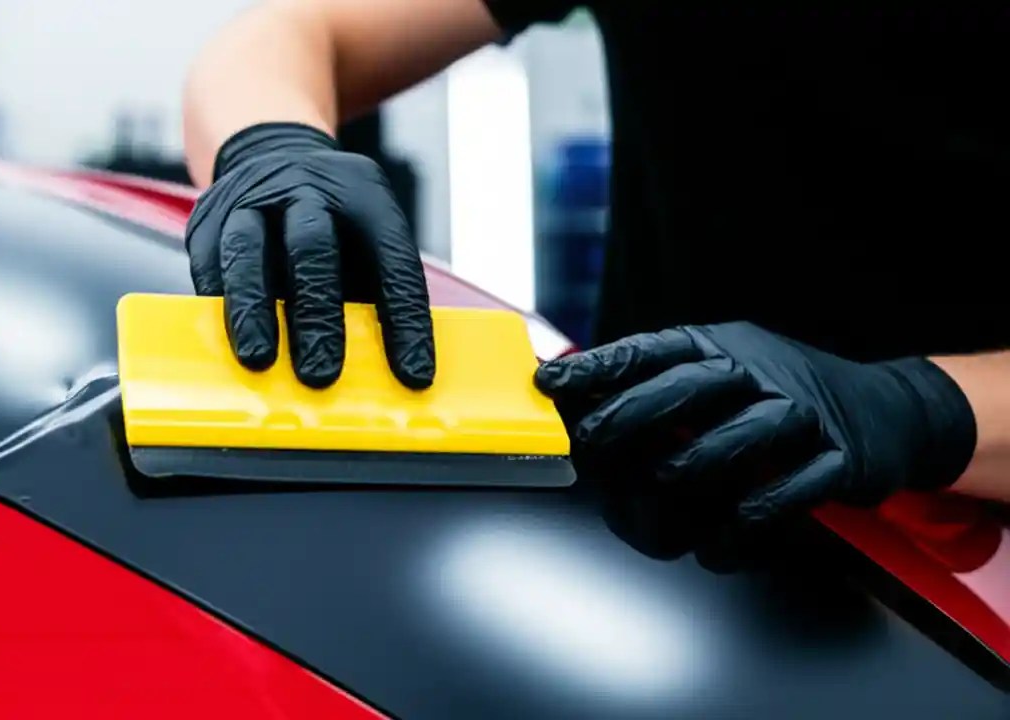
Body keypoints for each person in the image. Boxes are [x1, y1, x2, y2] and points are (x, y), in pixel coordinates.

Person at [180, 0, 1010, 555]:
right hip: (651, 529)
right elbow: (299, 31)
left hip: (974, 557)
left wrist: (916, 409)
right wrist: (266, 144)